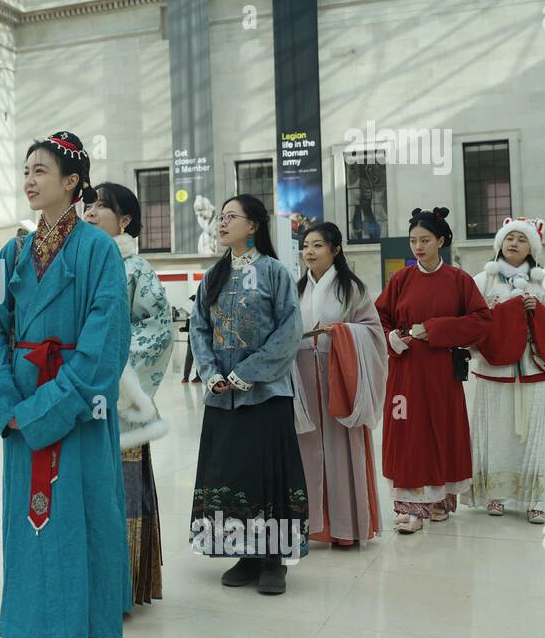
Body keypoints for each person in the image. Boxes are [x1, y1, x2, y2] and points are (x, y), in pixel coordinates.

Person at [0, 129, 131, 638]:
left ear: (72, 182)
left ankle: (90, 636)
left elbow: (103, 348)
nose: (30, 179)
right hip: (23, 417)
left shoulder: (99, 251)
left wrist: (44, 410)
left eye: (42, 171)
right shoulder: (10, 255)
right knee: (31, 532)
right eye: (26, 169)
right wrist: (9, 403)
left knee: (85, 521)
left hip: (77, 416)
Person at [188, 194, 306, 593]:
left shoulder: (275, 272)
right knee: (232, 473)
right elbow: (199, 329)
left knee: (267, 473)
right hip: (221, 395)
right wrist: (210, 373)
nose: (221, 223)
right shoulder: (212, 276)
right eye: (220, 217)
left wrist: (246, 374)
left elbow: (290, 331)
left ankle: (274, 560)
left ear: (254, 226)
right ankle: (243, 552)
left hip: (267, 394)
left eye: (230, 217)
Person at [375, 207, 491, 533]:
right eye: (413, 240)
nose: (418, 247)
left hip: (440, 371)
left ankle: (439, 501)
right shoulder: (401, 279)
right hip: (405, 371)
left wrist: (435, 329)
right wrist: (392, 339)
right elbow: (378, 318)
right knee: (407, 431)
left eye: (425, 239)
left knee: (442, 429)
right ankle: (412, 507)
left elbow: (481, 320)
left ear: (441, 240)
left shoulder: (459, 280)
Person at [85, 181, 172, 607]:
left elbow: (155, 333)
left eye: (101, 207)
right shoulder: (80, 261)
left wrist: (108, 370)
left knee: (119, 490)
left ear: (124, 221)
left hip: (119, 402)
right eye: (88, 205)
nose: (89, 212)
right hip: (78, 397)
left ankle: (119, 589)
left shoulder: (135, 270)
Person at [465, 218, 545, 524]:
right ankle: (494, 494)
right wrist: (494, 310)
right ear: (500, 243)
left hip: (533, 369)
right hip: (494, 370)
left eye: (521, 240)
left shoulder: (543, 283)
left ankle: (536, 498)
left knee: (536, 433)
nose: (513, 243)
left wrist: (539, 311)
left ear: (532, 248)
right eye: (509, 238)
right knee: (496, 431)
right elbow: (470, 318)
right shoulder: (483, 280)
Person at [291, 222, 387, 548]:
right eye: (305, 245)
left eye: (317, 245)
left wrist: (342, 333)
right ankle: (313, 524)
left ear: (335, 250)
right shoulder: (296, 289)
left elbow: (373, 332)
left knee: (341, 450)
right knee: (306, 451)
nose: (309, 252)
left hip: (340, 377)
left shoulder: (352, 289)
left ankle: (347, 527)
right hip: (303, 378)